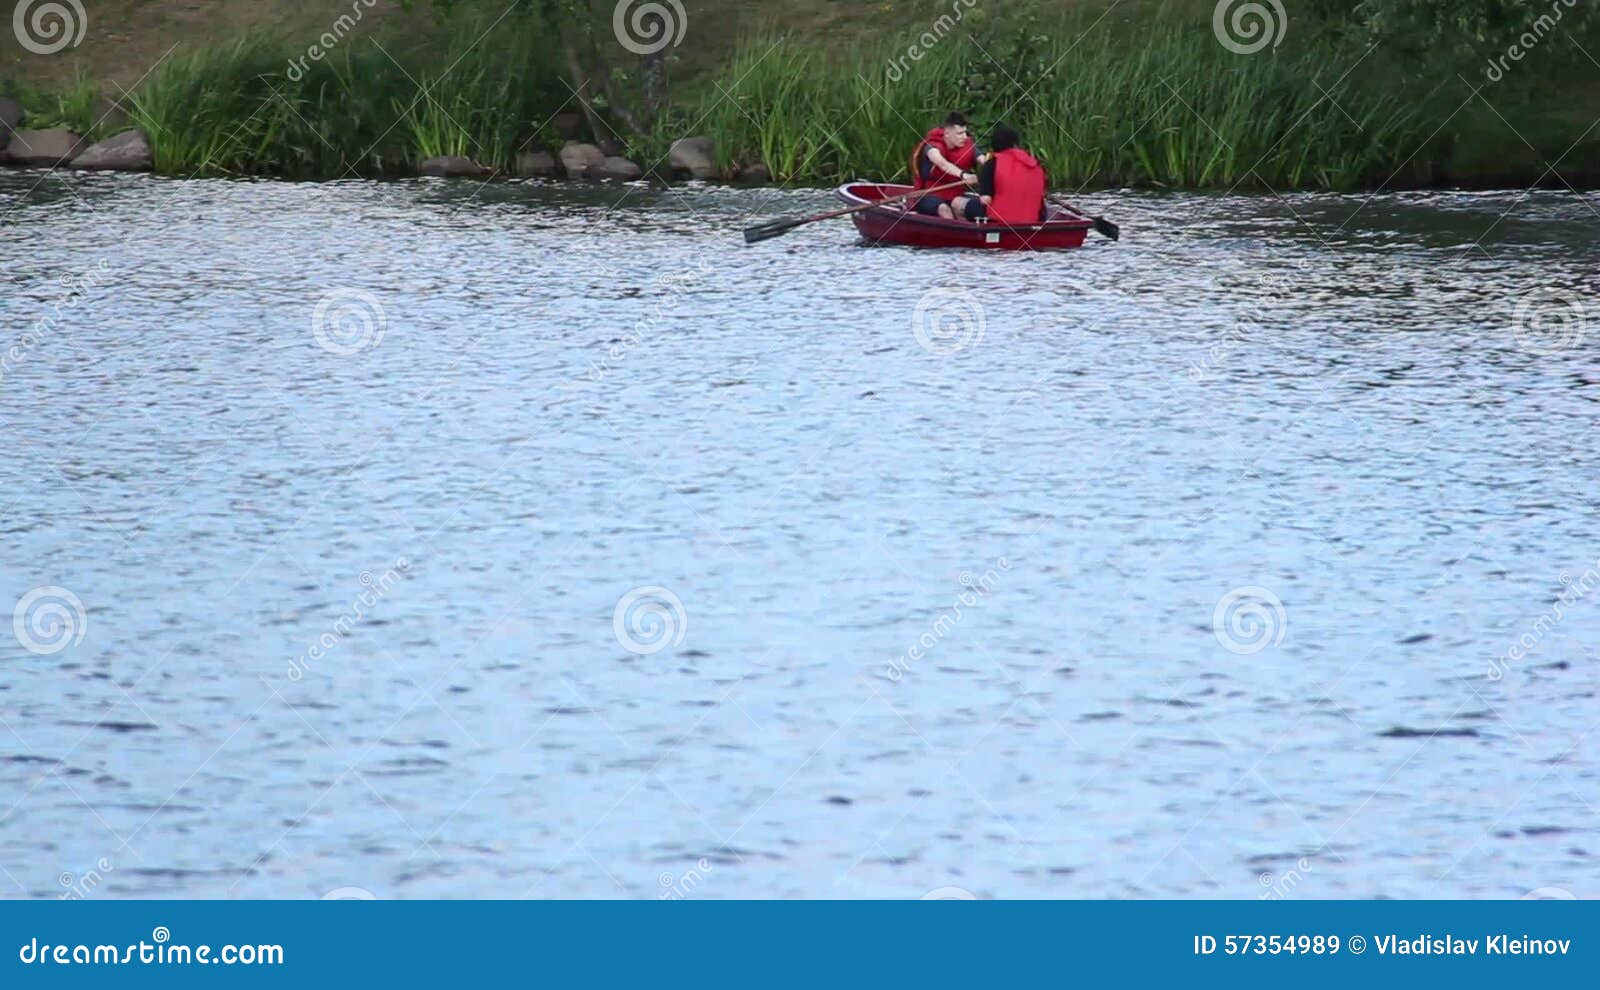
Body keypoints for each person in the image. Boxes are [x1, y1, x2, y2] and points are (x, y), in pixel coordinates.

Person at [908, 112, 979, 219]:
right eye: (960, 133)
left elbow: (983, 159)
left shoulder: (967, 145)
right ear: (947, 134)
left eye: (965, 132)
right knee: (944, 209)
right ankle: (953, 229)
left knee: (965, 206)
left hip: (954, 194)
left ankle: (964, 228)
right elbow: (942, 164)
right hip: (928, 195)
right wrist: (963, 175)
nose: (964, 137)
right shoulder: (932, 148)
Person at [976, 124, 1047, 226]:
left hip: (999, 223)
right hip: (1030, 222)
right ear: (1016, 144)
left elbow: (985, 200)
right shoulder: (1036, 165)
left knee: (958, 203)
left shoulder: (992, 163)